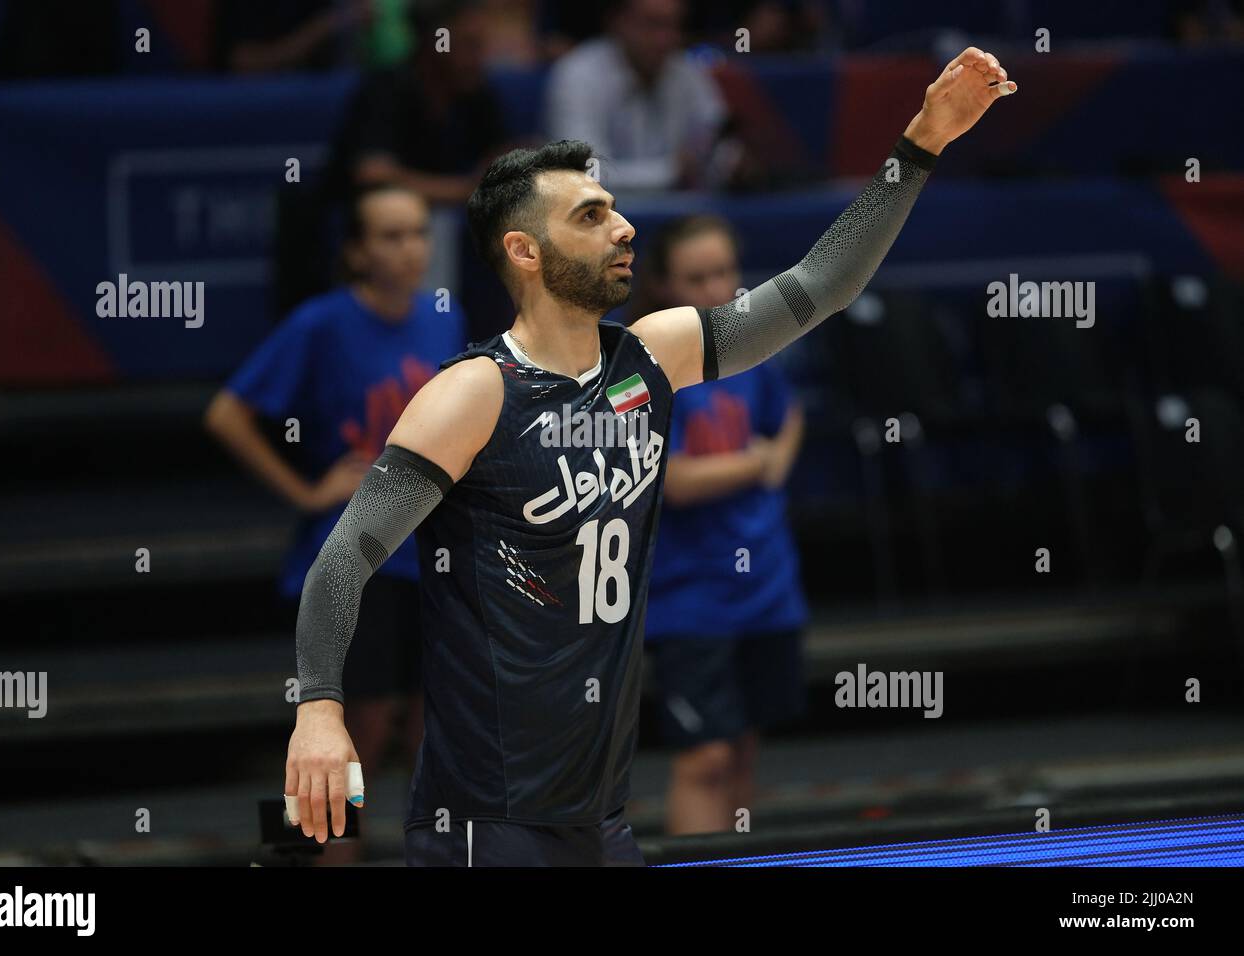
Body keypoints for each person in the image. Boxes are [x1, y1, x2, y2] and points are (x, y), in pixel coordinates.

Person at [285, 48, 1016, 866]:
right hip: (485, 822)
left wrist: (920, 143)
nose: (624, 226)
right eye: (591, 216)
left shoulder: (652, 354)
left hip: (600, 814)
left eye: (616, 208)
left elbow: (823, 284)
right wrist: (319, 709)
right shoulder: (474, 394)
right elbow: (344, 556)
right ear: (525, 252)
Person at [204, 185, 465, 860]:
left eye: (417, 233)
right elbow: (226, 414)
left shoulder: (444, 315)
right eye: (390, 235)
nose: (410, 249)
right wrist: (305, 490)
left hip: (430, 555)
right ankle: (299, 855)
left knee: (433, 735)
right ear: (355, 251)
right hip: (352, 558)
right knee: (354, 734)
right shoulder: (320, 323)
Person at [630, 214, 809, 835]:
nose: (716, 290)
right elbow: (671, 482)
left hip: (767, 584)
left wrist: (773, 461)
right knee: (705, 756)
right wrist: (755, 465)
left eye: (725, 273)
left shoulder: (756, 342)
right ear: (661, 285)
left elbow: (788, 416)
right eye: (696, 277)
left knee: (744, 748)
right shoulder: (643, 365)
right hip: (691, 598)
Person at [544, 0, 728, 191]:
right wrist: (670, 171)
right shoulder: (577, 74)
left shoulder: (687, 72)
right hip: (595, 214)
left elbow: (717, 140)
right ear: (617, 22)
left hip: (680, 214)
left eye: (674, 25)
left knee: (712, 221)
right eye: (652, 24)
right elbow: (587, 173)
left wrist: (731, 165)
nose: (665, 39)